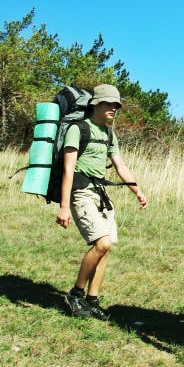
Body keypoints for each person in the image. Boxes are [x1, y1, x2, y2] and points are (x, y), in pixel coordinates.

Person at [54, 84, 148, 320]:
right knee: (102, 243)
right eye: (109, 104)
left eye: (116, 105)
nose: (114, 108)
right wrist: (64, 206)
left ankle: (92, 300)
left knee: (105, 251)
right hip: (81, 193)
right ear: (95, 104)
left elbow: (120, 165)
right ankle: (76, 293)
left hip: (101, 196)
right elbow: (68, 168)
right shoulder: (78, 129)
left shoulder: (108, 134)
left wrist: (136, 191)